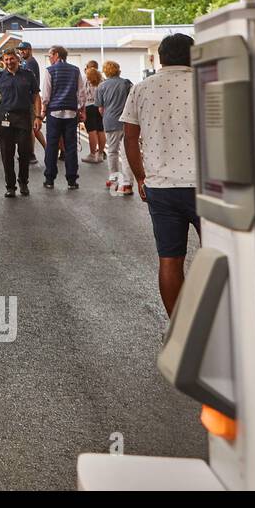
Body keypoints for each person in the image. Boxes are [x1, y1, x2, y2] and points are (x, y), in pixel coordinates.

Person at [122, 33, 200, 316]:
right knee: (218, 259)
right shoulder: (209, 86)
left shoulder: (141, 88)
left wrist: (140, 177)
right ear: (194, 55)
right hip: (208, 187)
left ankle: (178, 328)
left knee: (170, 259)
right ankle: (216, 325)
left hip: (162, 187)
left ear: (161, 58)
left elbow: (130, 138)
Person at [0, 47, 42, 198]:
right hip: (6, 119)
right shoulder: (0, 77)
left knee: (24, 153)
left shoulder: (28, 75)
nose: (9, 62)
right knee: (7, 154)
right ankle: (10, 186)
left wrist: (38, 117)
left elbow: (36, 96)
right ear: (3, 61)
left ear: (17, 59)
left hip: (23, 118)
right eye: (6, 59)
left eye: (12, 59)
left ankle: (23, 182)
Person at [41, 45, 84, 190]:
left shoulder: (50, 71)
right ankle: (72, 180)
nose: (49, 58)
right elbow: (81, 93)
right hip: (71, 112)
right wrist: (81, 109)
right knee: (71, 146)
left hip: (54, 112)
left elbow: (46, 95)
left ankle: (50, 179)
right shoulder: (75, 70)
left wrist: (43, 110)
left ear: (57, 55)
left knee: (52, 146)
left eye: (50, 55)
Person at [97, 60, 133, 196]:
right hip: (127, 122)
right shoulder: (126, 83)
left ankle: (114, 180)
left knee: (112, 152)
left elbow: (100, 108)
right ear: (118, 70)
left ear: (105, 71)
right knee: (126, 154)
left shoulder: (102, 86)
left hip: (110, 122)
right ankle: (128, 184)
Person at [16, 42, 44, 162]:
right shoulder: (26, 62)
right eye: (20, 50)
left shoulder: (30, 63)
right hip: (28, 99)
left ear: (30, 50)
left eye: (24, 49)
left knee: (32, 128)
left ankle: (32, 154)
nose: (22, 52)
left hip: (30, 99)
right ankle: (45, 151)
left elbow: (28, 82)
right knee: (32, 128)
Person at [81, 61, 106, 163]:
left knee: (92, 131)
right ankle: (100, 154)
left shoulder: (84, 78)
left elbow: (81, 94)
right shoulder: (102, 79)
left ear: (87, 67)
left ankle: (92, 154)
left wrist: (81, 109)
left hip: (89, 107)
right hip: (101, 107)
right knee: (100, 130)